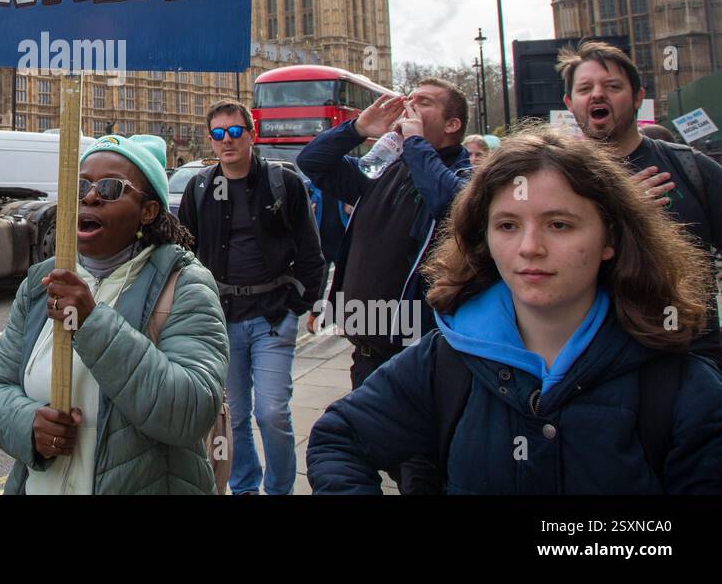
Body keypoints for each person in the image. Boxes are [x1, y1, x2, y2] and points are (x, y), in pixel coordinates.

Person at [307, 127, 722, 494]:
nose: (529, 248)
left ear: (610, 238)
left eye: (559, 224)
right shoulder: (445, 359)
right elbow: (337, 439)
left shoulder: (681, 387)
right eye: (507, 225)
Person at [0, 134, 229, 494]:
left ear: (148, 211)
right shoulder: (40, 282)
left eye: (111, 188)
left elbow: (190, 411)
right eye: (81, 185)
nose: (90, 196)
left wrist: (92, 323)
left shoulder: (185, 284)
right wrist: (27, 425)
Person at [297, 78, 472, 493]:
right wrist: (359, 127)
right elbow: (313, 162)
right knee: (367, 457)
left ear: (452, 125)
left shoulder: (463, 174)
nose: (409, 107)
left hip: (416, 356)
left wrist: (413, 146)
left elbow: (452, 207)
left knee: (421, 473)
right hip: (367, 352)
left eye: (423, 103)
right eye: (408, 99)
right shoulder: (381, 171)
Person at [178, 101, 325, 495]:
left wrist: (302, 304)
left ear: (251, 133)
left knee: (272, 412)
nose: (228, 141)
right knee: (236, 416)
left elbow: (311, 251)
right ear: (210, 141)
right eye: (219, 134)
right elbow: (185, 253)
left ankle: (279, 489)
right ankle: (244, 486)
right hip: (222, 320)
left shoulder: (283, 183)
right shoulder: (201, 188)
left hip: (272, 316)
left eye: (235, 131)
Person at [559, 41, 722, 365]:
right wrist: (622, 210)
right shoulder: (557, 182)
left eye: (613, 86)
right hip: (595, 371)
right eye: (585, 88)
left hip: (691, 360)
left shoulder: (691, 168)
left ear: (637, 97)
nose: (597, 94)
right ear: (570, 102)